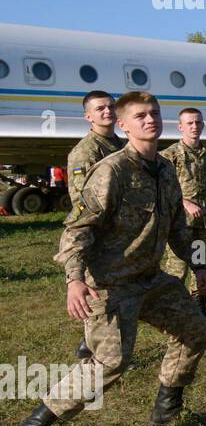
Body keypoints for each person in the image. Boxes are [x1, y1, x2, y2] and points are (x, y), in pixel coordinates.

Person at [2, 92, 206, 426]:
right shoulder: (111, 171)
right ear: (124, 125)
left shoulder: (165, 170)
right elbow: (78, 229)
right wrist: (74, 280)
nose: (150, 120)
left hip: (151, 278)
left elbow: (179, 229)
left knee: (195, 329)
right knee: (109, 364)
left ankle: (167, 405)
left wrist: (198, 264)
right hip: (111, 285)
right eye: (141, 116)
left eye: (155, 114)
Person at [160, 108, 206, 318]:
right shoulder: (169, 156)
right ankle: (171, 310)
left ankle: (198, 308)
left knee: (202, 263)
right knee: (177, 267)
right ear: (180, 127)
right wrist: (185, 202)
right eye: (190, 123)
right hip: (180, 224)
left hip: (205, 224)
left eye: (198, 122)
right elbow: (162, 189)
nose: (194, 127)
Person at [67, 91, 125, 360]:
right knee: (100, 296)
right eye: (100, 108)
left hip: (124, 233)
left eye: (111, 106)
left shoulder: (121, 145)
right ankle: (88, 351)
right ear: (88, 116)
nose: (107, 111)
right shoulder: (85, 152)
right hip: (100, 236)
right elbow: (84, 203)